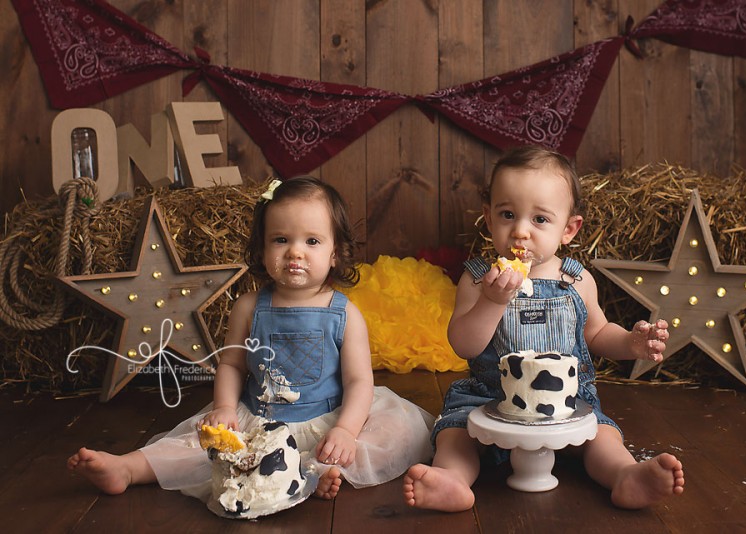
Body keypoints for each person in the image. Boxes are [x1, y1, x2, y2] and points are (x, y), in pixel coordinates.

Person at [68, 176, 434, 504]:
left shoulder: (345, 313)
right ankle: (129, 468)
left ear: (335, 252)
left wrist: (346, 430)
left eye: (312, 241)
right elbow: (231, 363)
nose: (295, 252)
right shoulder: (249, 308)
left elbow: (359, 381)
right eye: (281, 240)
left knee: (391, 433)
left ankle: (313, 474)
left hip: (326, 418)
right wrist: (225, 407)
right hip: (257, 419)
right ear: (261, 250)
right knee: (197, 448)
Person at [403, 146, 685, 512]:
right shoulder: (477, 280)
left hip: (566, 402)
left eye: (539, 220)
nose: (520, 231)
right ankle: (453, 479)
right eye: (507, 214)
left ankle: (625, 475)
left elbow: (597, 334)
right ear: (488, 219)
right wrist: (492, 302)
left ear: (568, 229)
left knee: (603, 436)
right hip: (490, 397)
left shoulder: (576, 279)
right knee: (456, 435)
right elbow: (465, 346)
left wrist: (631, 343)